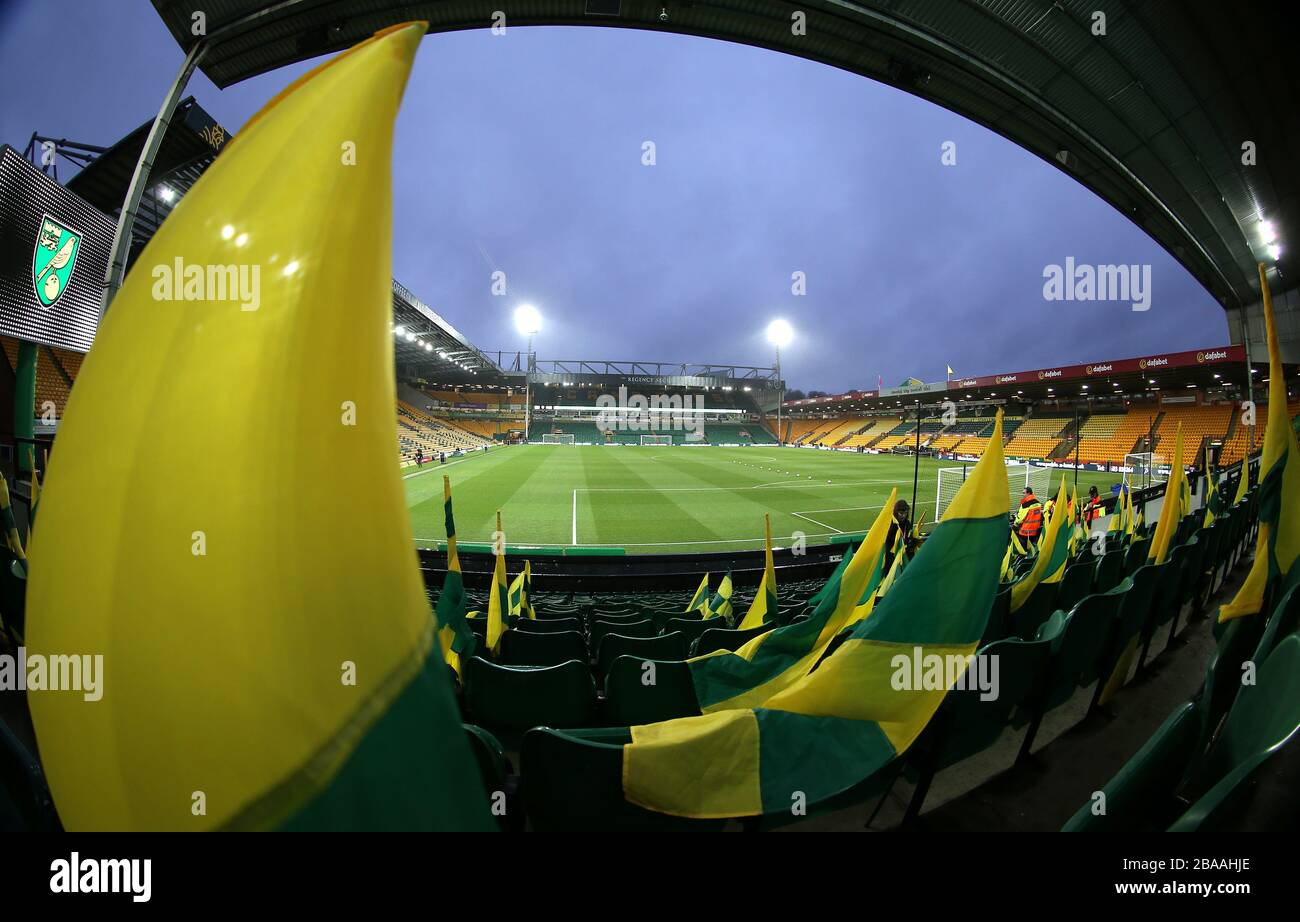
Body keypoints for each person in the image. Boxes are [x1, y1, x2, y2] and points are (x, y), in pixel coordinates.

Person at [883, 499, 916, 572]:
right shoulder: (891, 523)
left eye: (905, 513)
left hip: (904, 557)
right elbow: (887, 539)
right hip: (891, 557)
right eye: (901, 513)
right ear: (896, 512)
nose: (903, 516)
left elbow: (908, 538)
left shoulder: (907, 524)